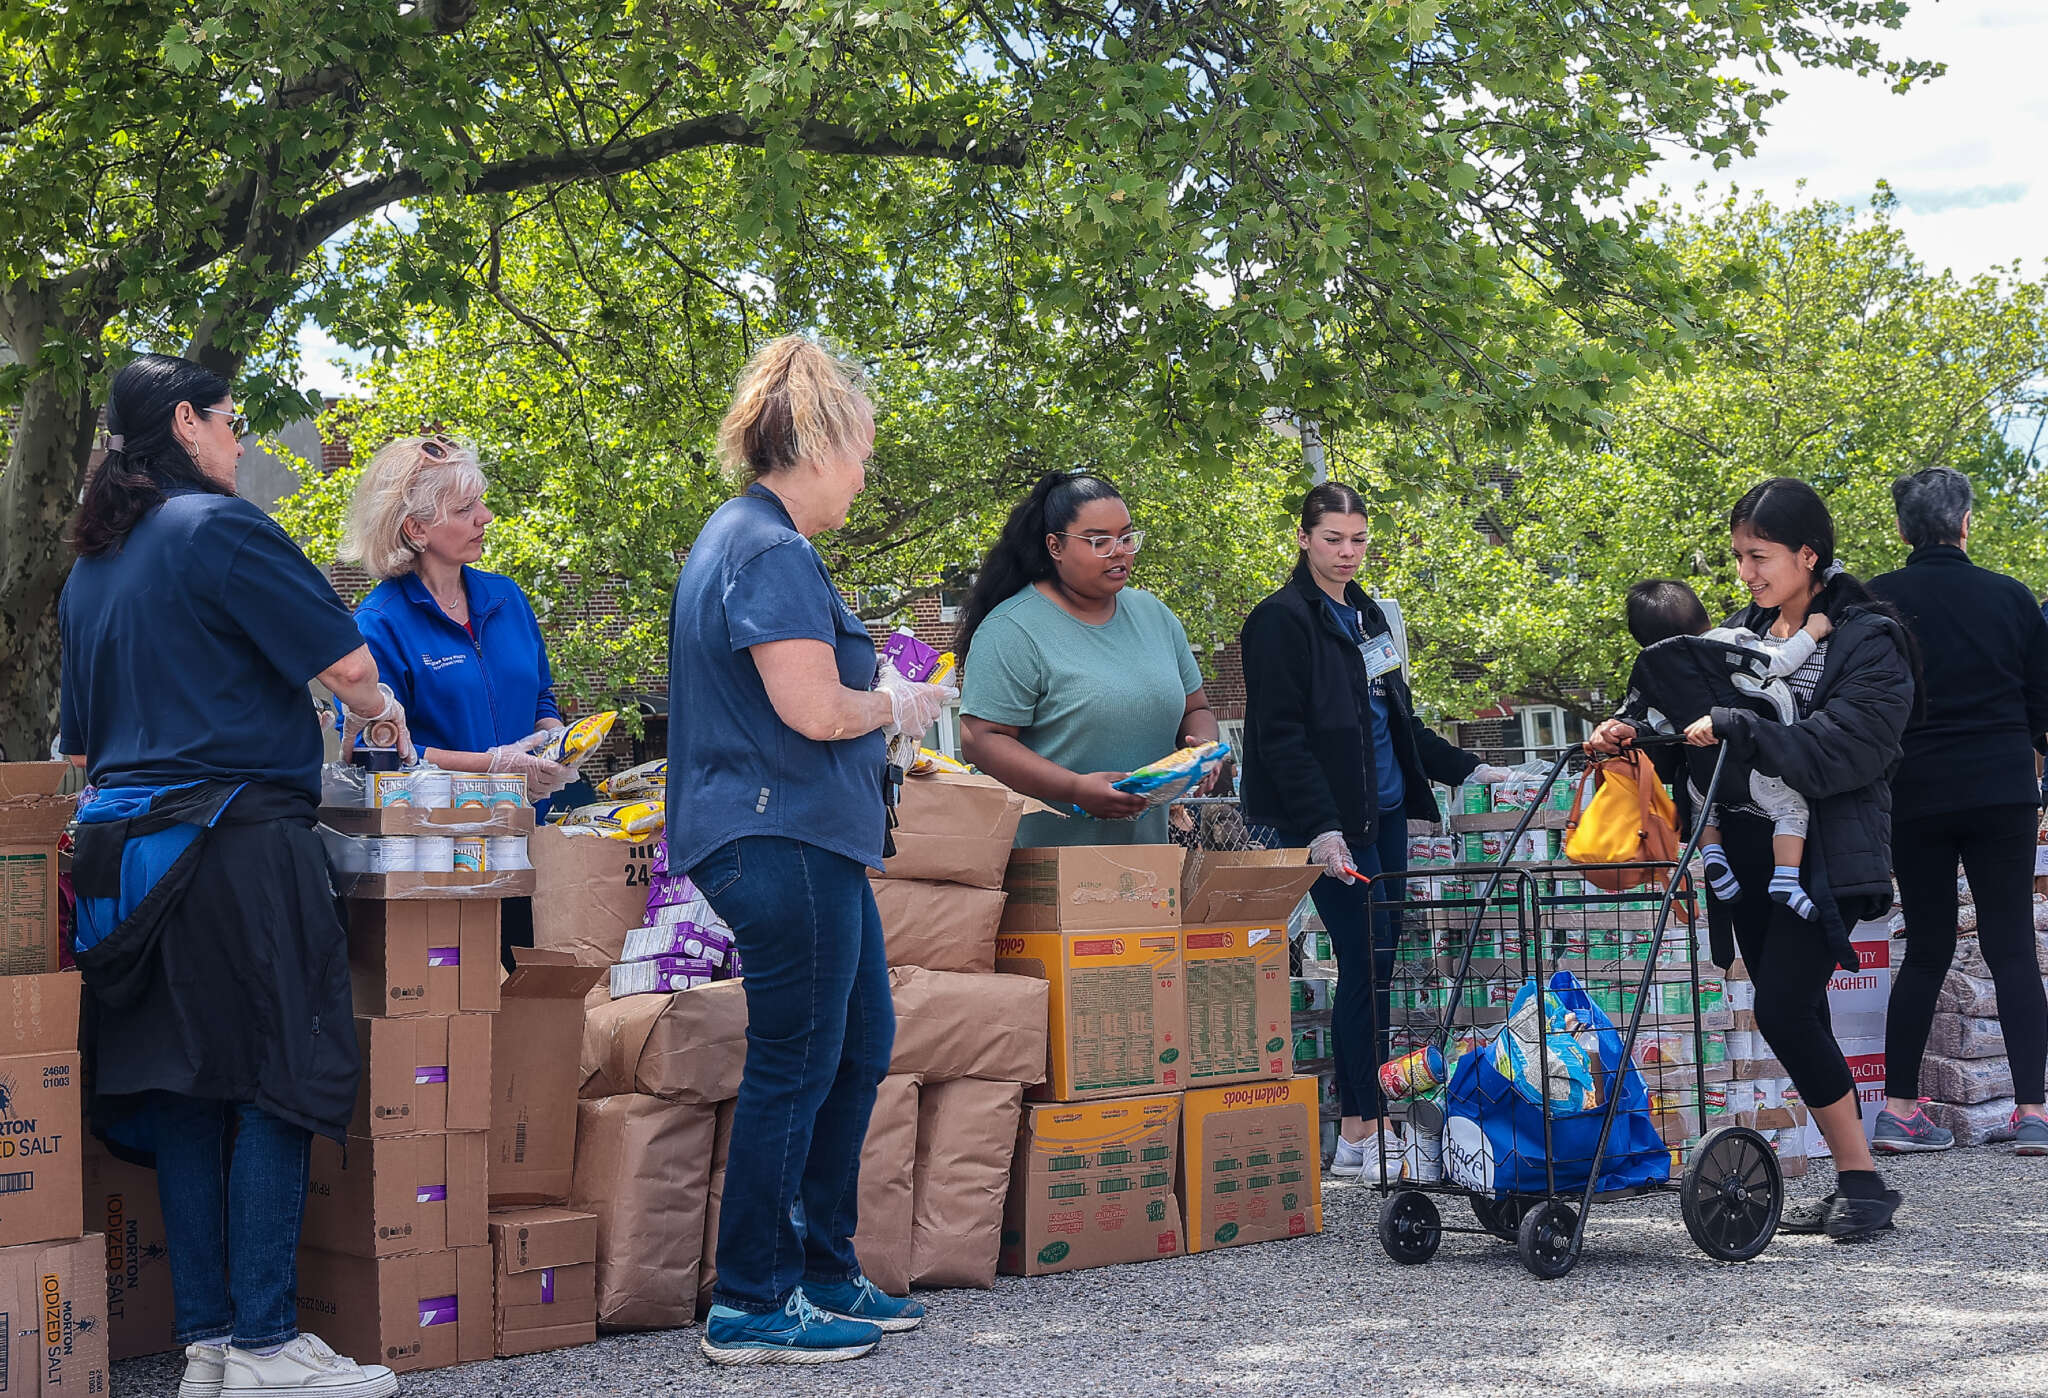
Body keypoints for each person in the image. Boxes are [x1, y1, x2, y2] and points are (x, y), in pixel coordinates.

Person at [58, 354, 404, 1397]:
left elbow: (82, 746)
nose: (241, 440)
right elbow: (349, 668)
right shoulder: (222, 529)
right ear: (186, 423)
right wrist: (383, 712)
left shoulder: (91, 569)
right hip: (234, 844)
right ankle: (265, 1343)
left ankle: (210, 1344)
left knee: (182, 1087)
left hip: (124, 863)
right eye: (231, 421)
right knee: (275, 1076)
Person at [665, 336, 955, 1365]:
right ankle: (752, 1298)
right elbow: (815, 709)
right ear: (822, 446)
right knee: (796, 1060)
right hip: (777, 831)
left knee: (859, 1043)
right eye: (863, 456)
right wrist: (896, 702)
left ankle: (824, 1268)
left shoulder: (746, 539)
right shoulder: (771, 550)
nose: (865, 478)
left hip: (799, 837)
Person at [1591, 477, 1917, 1240]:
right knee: (1801, 1011)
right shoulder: (1741, 633)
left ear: (1808, 555)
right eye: (1739, 556)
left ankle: (1863, 1181)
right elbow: (1686, 730)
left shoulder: (1870, 639)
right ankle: (1859, 1182)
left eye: (1759, 556)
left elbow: (1850, 749)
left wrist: (1743, 726)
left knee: (1781, 1009)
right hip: (1748, 854)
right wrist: (1630, 733)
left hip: (1823, 853)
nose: (1745, 573)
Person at [1237, 483, 1512, 1180]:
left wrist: (1470, 769)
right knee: (1361, 963)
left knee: (1380, 963)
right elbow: (1280, 739)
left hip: (1383, 815)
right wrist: (1322, 830)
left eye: (1358, 540)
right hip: (1327, 823)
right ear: (1304, 538)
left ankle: (1365, 1123)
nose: (1347, 552)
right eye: (1332, 539)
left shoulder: (1368, 616)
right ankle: (1362, 1128)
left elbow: (1399, 722)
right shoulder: (1279, 620)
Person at [341, 435, 574, 970]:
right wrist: (491, 766)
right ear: (416, 529)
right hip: (441, 858)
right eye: (466, 509)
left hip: (528, 844)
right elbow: (377, 755)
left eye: (481, 503)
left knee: (538, 999)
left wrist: (554, 746)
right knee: (462, 1007)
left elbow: (541, 693)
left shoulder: (507, 597)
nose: (485, 517)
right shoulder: (378, 625)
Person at [1867, 467, 2048, 1156]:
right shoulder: (2012, 598)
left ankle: (1899, 1111)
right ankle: (2033, 1113)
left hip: (1915, 792)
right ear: (1966, 523)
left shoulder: (1877, 602)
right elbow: (2042, 711)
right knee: (2012, 948)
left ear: (1901, 529)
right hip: (2002, 788)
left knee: (1925, 948)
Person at [956, 471, 1221, 847]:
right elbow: (981, 741)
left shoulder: (1154, 615)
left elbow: (1196, 709)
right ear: (1055, 546)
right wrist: (1075, 788)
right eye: (1099, 541)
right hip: (1044, 863)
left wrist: (1204, 749)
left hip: (1148, 860)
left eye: (1126, 537)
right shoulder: (1011, 629)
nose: (1120, 551)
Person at [1619, 578, 1833, 918]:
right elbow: (1778, 662)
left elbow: (1658, 725)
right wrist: (1812, 631)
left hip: (1703, 775)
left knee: (1704, 813)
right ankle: (1787, 879)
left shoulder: (1648, 672)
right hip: (1754, 765)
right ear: (1703, 617)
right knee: (1791, 810)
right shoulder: (1722, 642)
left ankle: (1714, 859)